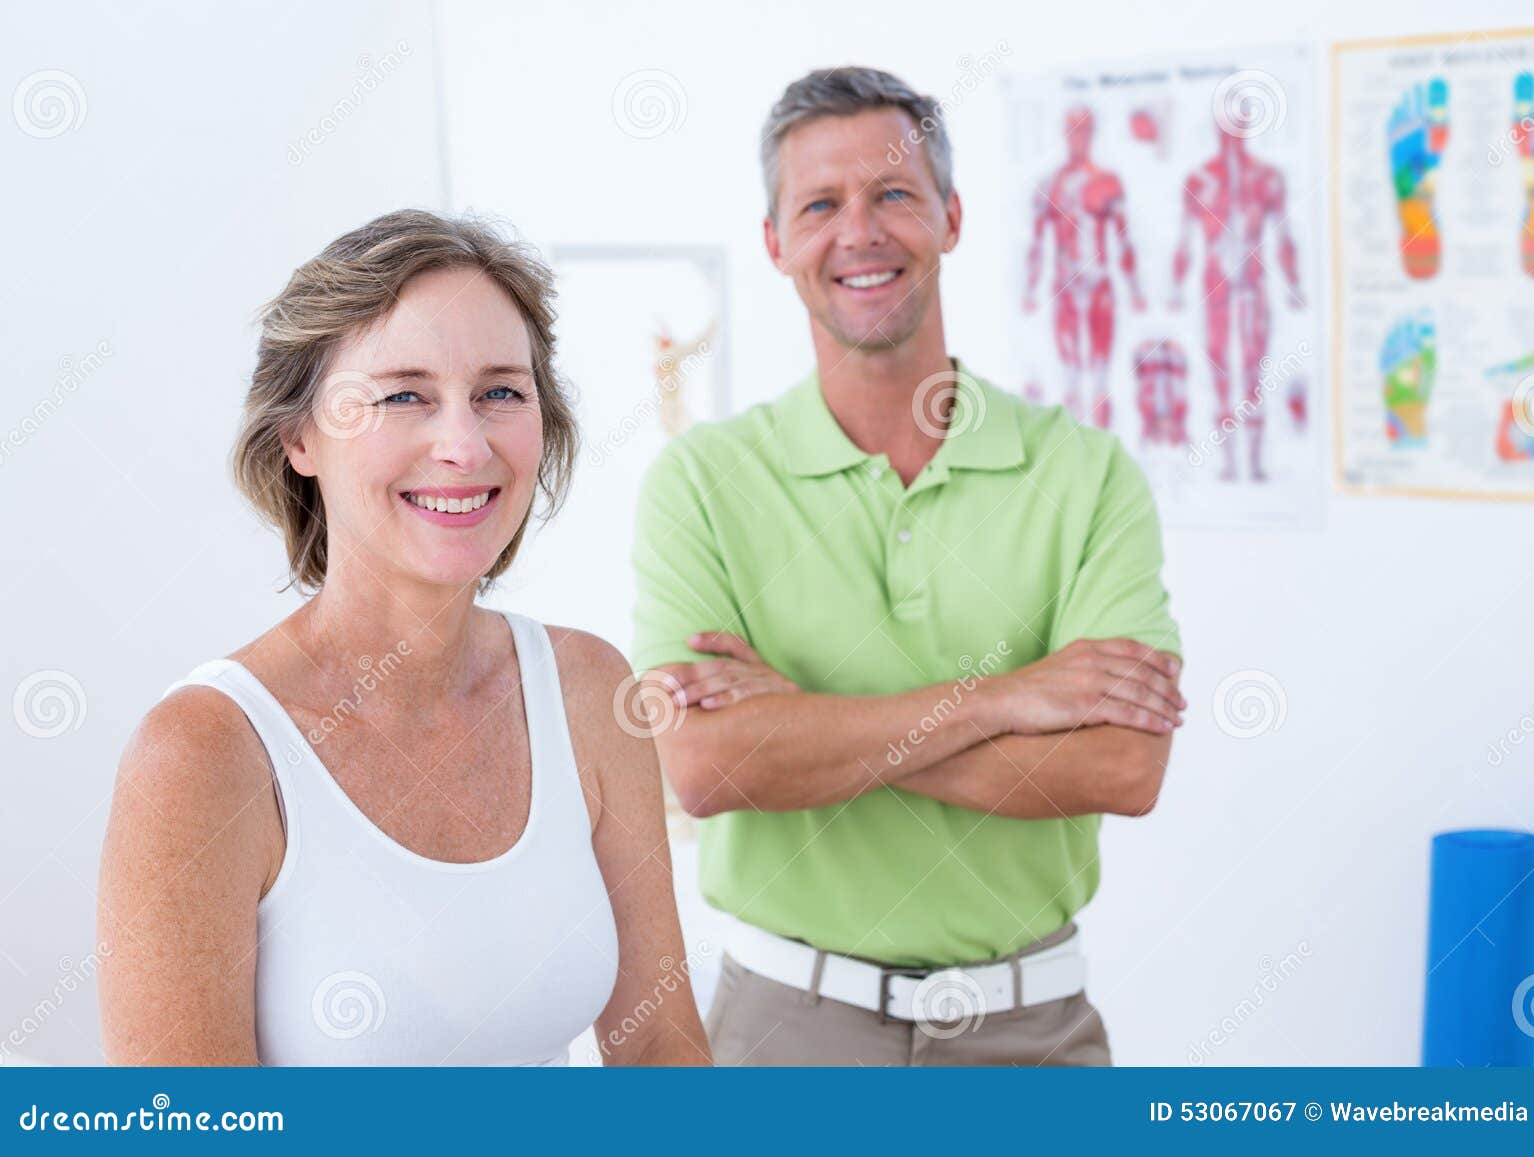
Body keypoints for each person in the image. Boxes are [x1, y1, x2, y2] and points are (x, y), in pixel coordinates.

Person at [630, 68, 1184, 1066]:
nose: (860, 232)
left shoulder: (1085, 473)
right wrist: (1008, 697)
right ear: (775, 242)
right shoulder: (703, 480)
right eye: (819, 205)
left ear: (950, 217)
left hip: (1033, 1035)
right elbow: (710, 765)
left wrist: (802, 722)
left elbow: (1122, 765)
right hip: (784, 1033)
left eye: (892, 194)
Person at [98, 210, 708, 1066]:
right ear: (299, 437)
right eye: (402, 395)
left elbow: (662, 1062)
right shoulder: (205, 754)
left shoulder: (587, 688)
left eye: (500, 391)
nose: (463, 444)